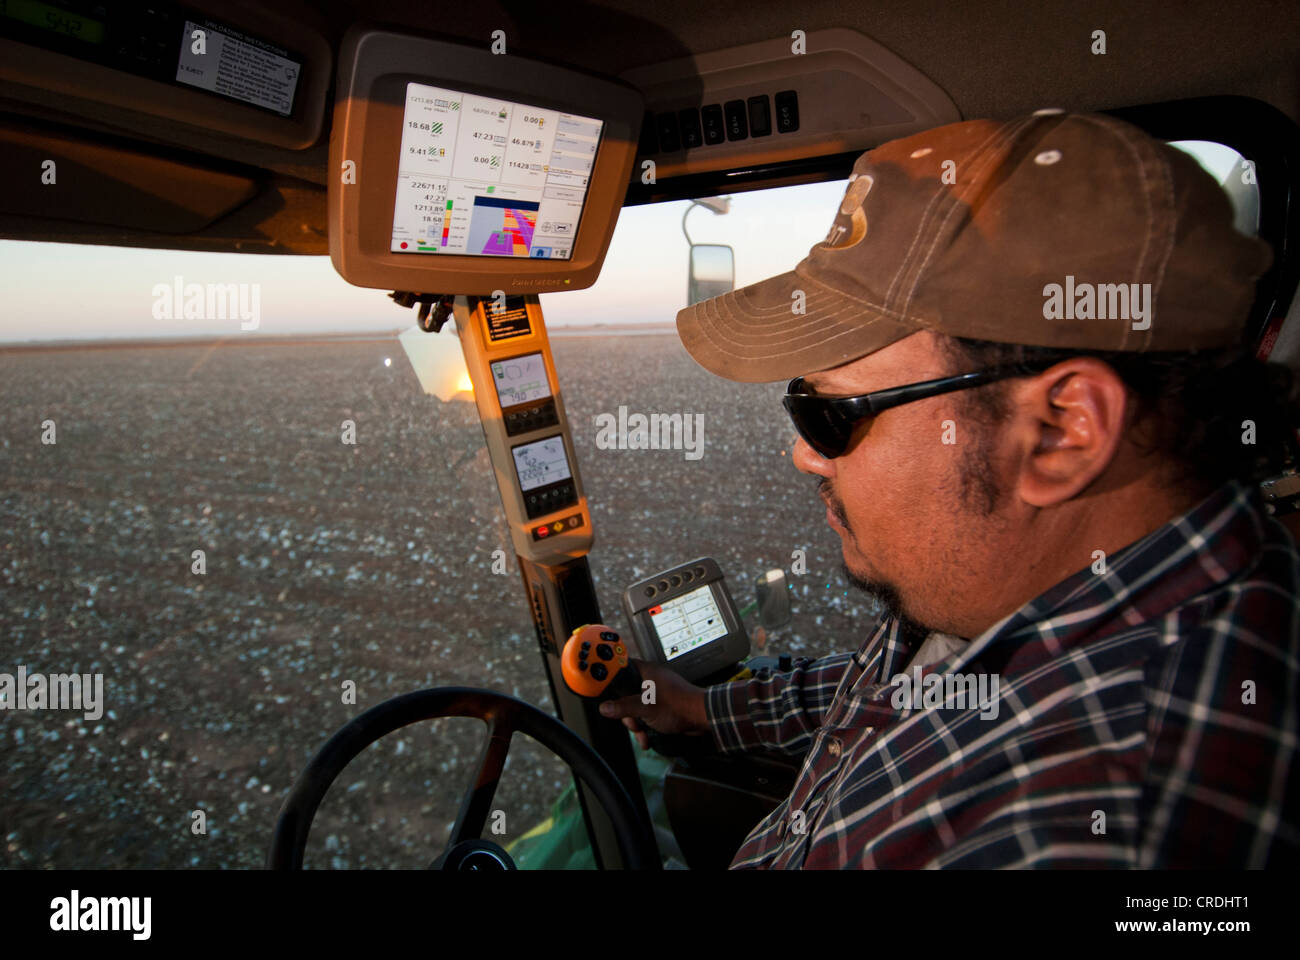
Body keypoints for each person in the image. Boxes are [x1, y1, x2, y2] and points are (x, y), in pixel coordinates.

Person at [599, 110, 1300, 868]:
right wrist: (704, 710)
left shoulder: (1084, 826)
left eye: (829, 414)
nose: (805, 455)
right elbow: (915, 692)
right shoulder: (1025, 576)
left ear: (1063, 431)